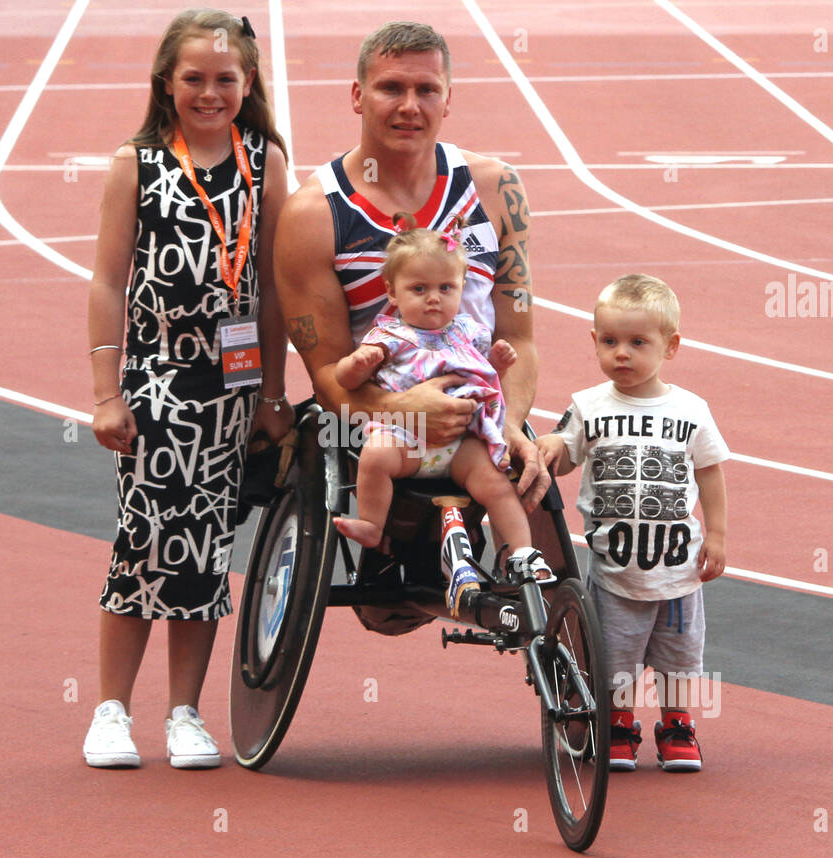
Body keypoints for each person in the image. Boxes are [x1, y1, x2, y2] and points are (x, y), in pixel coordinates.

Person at [82, 10, 292, 770]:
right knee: (143, 540)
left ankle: (184, 714)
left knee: (206, 548)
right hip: (154, 380)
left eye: (225, 79)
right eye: (194, 79)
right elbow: (108, 282)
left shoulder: (265, 161)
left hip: (231, 394)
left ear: (248, 83)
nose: (210, 92)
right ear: (166, 83)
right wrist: (107, 391)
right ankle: (110, 711)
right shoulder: (135, 163)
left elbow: (271, 289)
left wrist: (272, 393)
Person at [273, 21, 551, 526]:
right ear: (358, 96)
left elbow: (519, 339)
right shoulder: (313, 215)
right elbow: (327, 376)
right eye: (391, 88)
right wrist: (401, 408)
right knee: (389, 608)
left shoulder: (497, 189)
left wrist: (509, 423)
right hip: (380, 424)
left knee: (542, 511)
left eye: (427, 90)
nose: (409, 106)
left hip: (481, 412)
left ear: (448, 100)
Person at [536, 275, 729, 772]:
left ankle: (677, 725)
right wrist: (552, 446)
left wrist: (720, 535)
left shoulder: (690, 410)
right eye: (610, 341)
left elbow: (709, 472)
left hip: (678, 572)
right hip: (614, 574)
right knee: (614, 656)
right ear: (594, 341)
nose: (622, 353)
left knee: (679, 659)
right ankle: (619, 723)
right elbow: (561, 453)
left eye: (638, 343)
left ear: (671, 346)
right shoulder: (588, 406)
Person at [331, 214, 552, 581]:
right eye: (419, 289)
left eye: (446, 288)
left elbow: (485, 375)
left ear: (461, 287)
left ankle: (522, 551)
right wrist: (357, 364)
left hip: (461, 441)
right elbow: (346, 380)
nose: (434, 299)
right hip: (408, 438)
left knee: (496, 484)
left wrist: (497, 362)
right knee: (374, 455)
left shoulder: (469, 332)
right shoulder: (389, 336)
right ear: (392, 292)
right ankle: (372, 523)